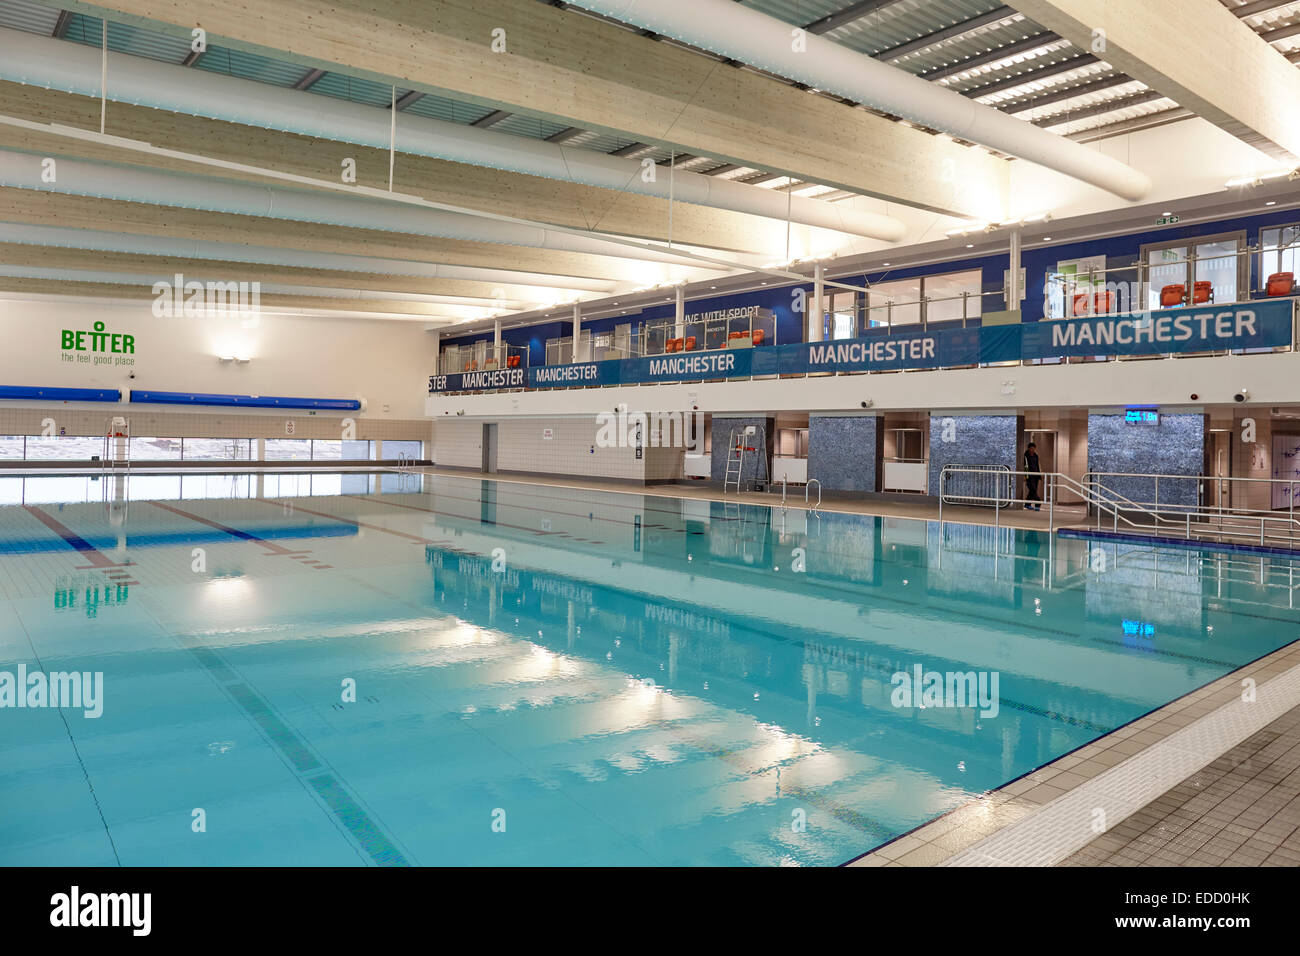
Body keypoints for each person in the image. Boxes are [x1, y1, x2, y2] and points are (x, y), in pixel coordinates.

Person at [1024, 442, 1042, 511]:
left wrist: (1039, 475)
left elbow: (1037, 465)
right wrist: (1025, 476)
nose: (1033, 450)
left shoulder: (1035, 455)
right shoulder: (1025, 456)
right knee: (1033, 490)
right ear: (1029, 448)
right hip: (1029, 476)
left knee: (1032, 491)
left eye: (1034, 448)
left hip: (1036, 475)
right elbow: (1024, 466)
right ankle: (1038, 503)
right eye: (1031, 448)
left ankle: (1027, 504)